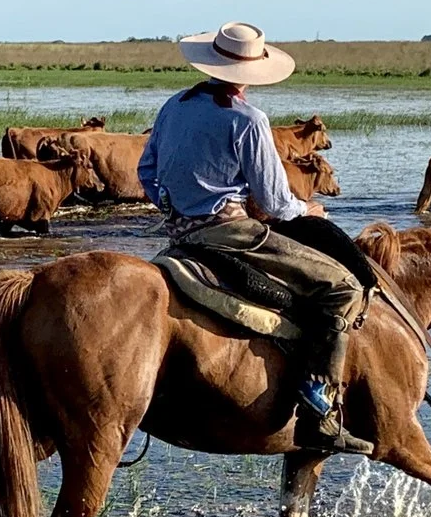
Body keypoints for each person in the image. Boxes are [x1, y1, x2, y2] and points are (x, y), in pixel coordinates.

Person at [137, 22, 376, 456]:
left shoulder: (175, 105)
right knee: (341, 288)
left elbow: (146, 172)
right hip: (231, 233)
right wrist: (310, 210)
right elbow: (276, 202)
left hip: (177, 236)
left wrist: (173, 210)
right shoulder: (248, 119)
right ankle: (320, 413)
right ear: (252, 71)